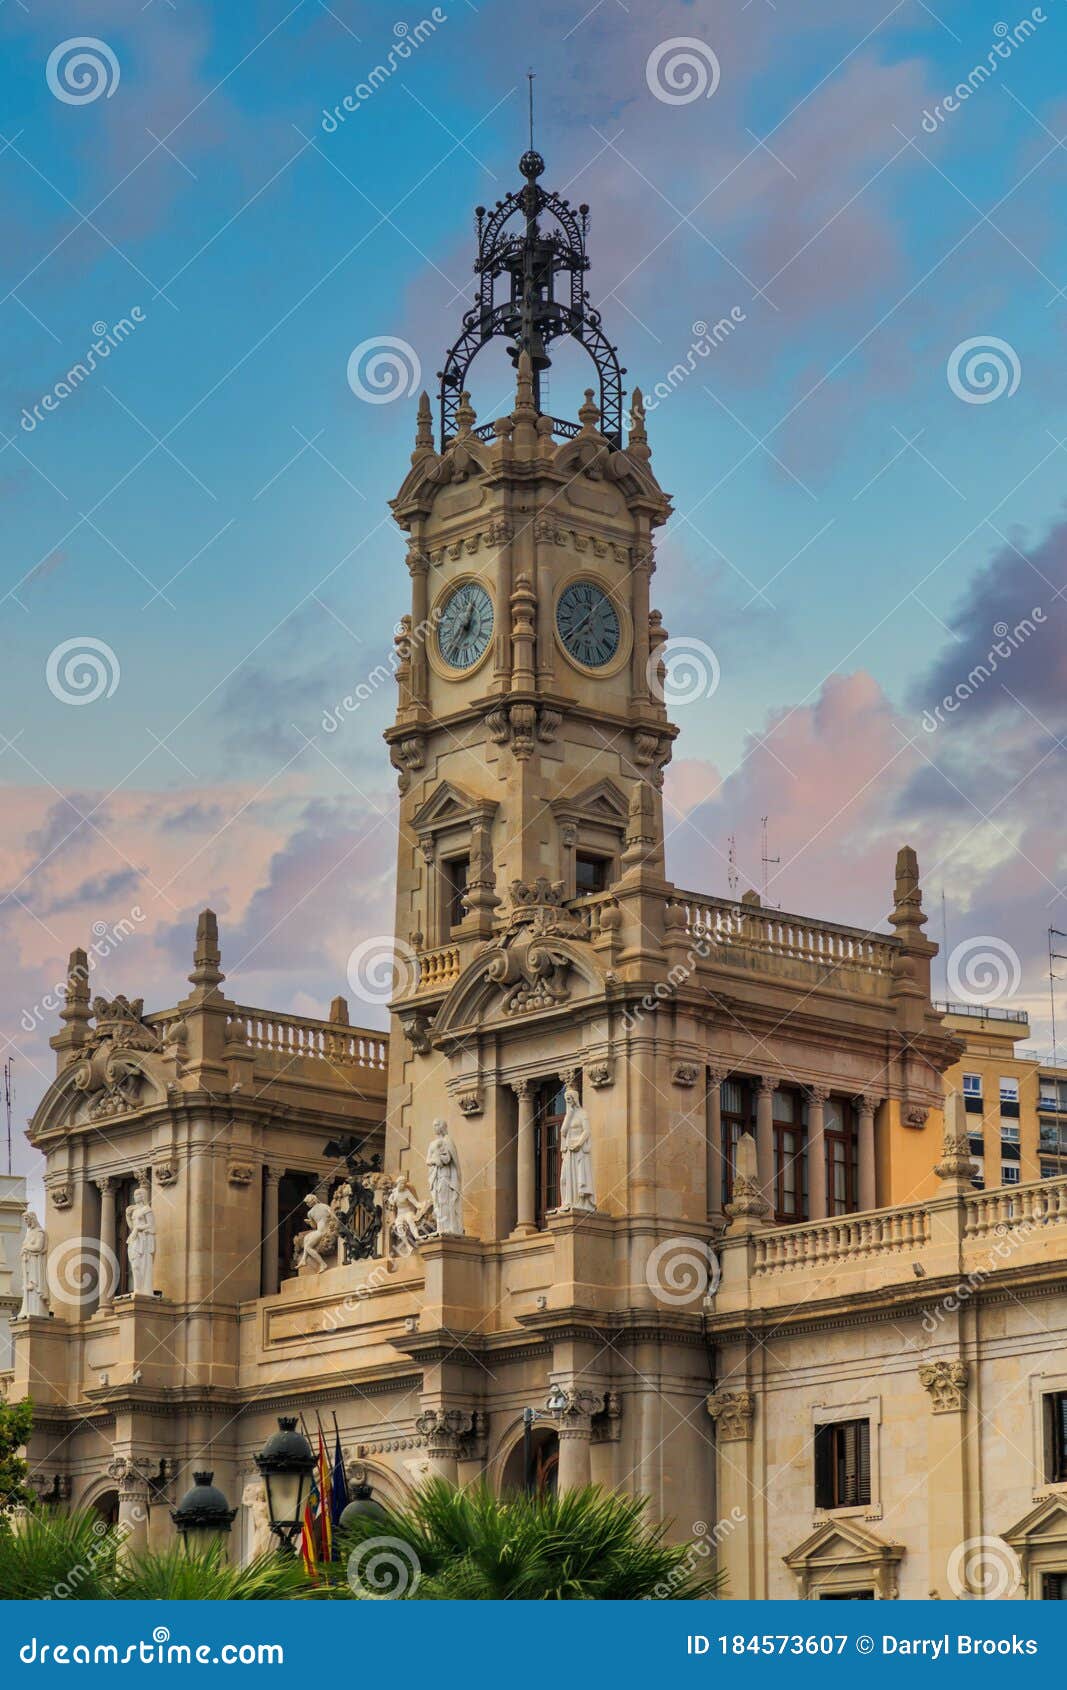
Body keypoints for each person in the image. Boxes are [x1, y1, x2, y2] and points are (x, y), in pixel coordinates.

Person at [559, 1087, 595, 1212]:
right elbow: (563, 1131)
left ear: (575, 1099)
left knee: (579, 1177)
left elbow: (587, 1131)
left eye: (569, 1099)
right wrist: (569, 1114)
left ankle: (580, 1202)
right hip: (569, 1149)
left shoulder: (582, 1114)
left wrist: (579, 1144)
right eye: (566, 1099)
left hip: (578, 1150)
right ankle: (567, 1202)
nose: (568, 1101)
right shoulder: (568, 1115)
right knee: (564, 1178)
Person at [425, 1119, 462, 1236]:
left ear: (442, 1126)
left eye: (436, 1125)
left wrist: (441, 1159)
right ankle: (441, 1228)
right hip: (436, 1176)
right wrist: (435, 1160)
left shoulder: (447, 1141)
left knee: (445, 1201)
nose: (434, 1127)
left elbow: (450, 1159)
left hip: (446, 1175)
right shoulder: (432, 1144)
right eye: (433, 1125)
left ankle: (450, 1227)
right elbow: (427, 1160)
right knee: (438, 1202)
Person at [126, 1186, 156, 1295]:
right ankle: (137, 1288)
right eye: (134, 1194)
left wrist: (138, 1228)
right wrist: (128, 1216)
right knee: (134, 1265)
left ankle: (143, 1289)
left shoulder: (147, 1209)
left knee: (141, 1265)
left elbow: (152, 1226)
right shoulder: (135, 1211)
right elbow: (132, 1227)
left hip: (144, 1241)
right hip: (135, 1240)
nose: (135, 1197)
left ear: (143, 1196)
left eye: (138, 1194)